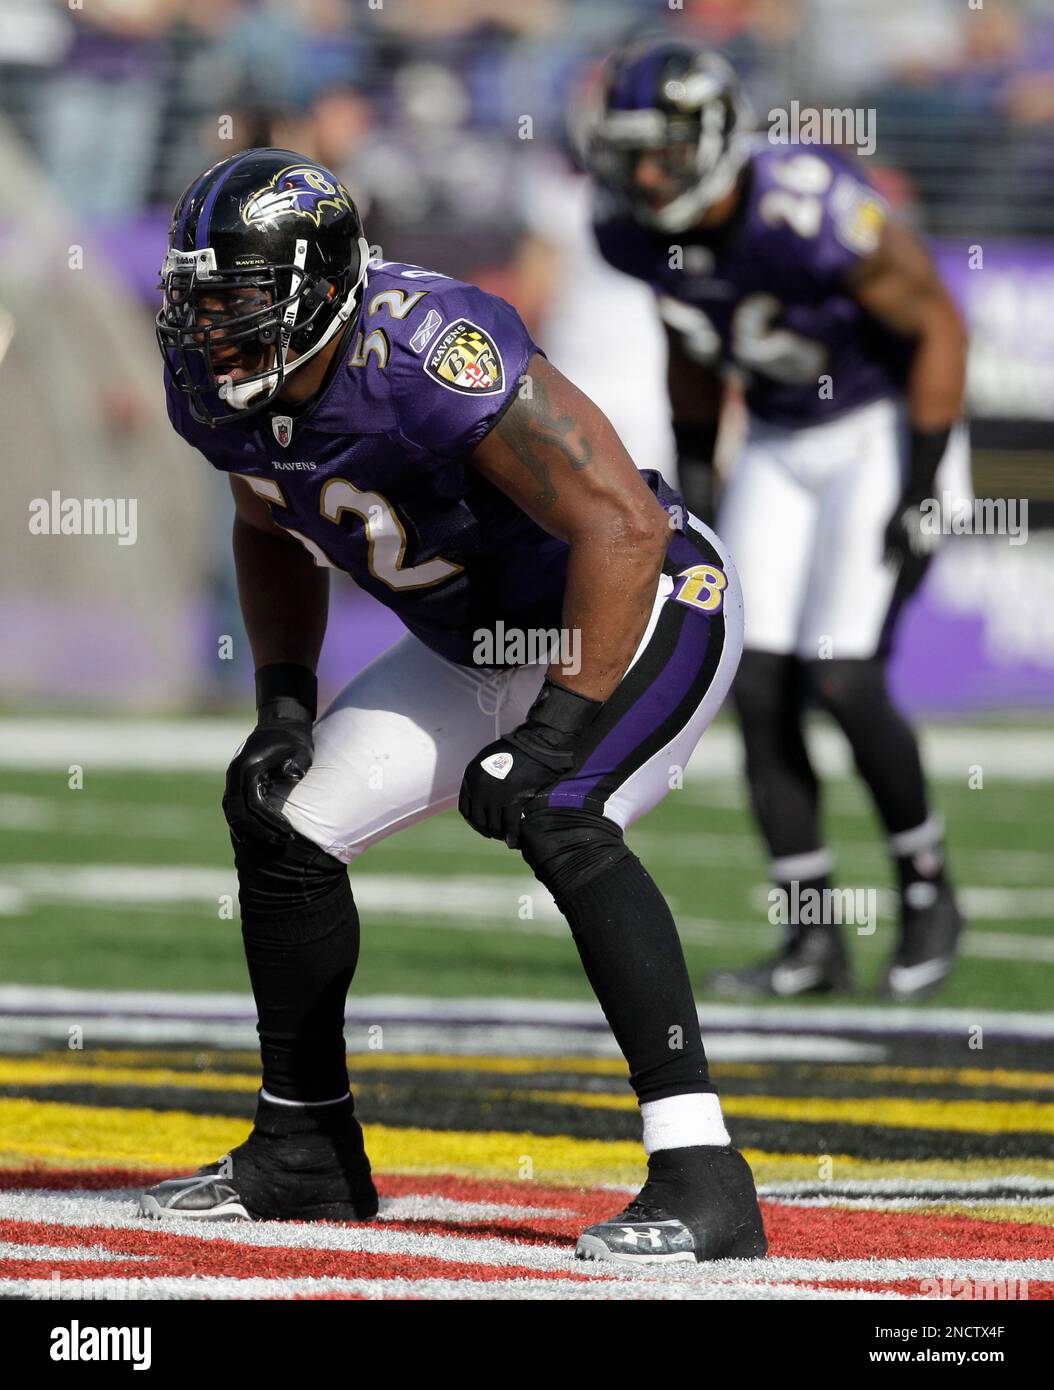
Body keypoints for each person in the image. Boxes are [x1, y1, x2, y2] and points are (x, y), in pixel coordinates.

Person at [139, 147, 766, 1264]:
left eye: (233, 301)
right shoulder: (223, 392)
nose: (206, 330)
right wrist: (284, 706)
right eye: (196, 300)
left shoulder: (428, 350)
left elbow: (618, 522)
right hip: (471, 644)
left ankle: (703, 1172)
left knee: (563, 812)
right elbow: (265, 523)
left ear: (318, 288)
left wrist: (553, 734)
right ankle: (306, 1148)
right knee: (281, 820)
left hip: (637, 598)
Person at [581, 39, 970, 1000]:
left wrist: (921, 480)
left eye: (660, 149)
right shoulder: (631, 230)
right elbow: (691, 341)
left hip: (879, 429)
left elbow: (939, 327)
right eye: (629, 151)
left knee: (841, 675)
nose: (641, 172)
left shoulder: (806, 204)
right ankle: (813, 935)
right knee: (750, 683)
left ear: (713, 137)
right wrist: (700, 476)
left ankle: (928, 891)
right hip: (779, 439)